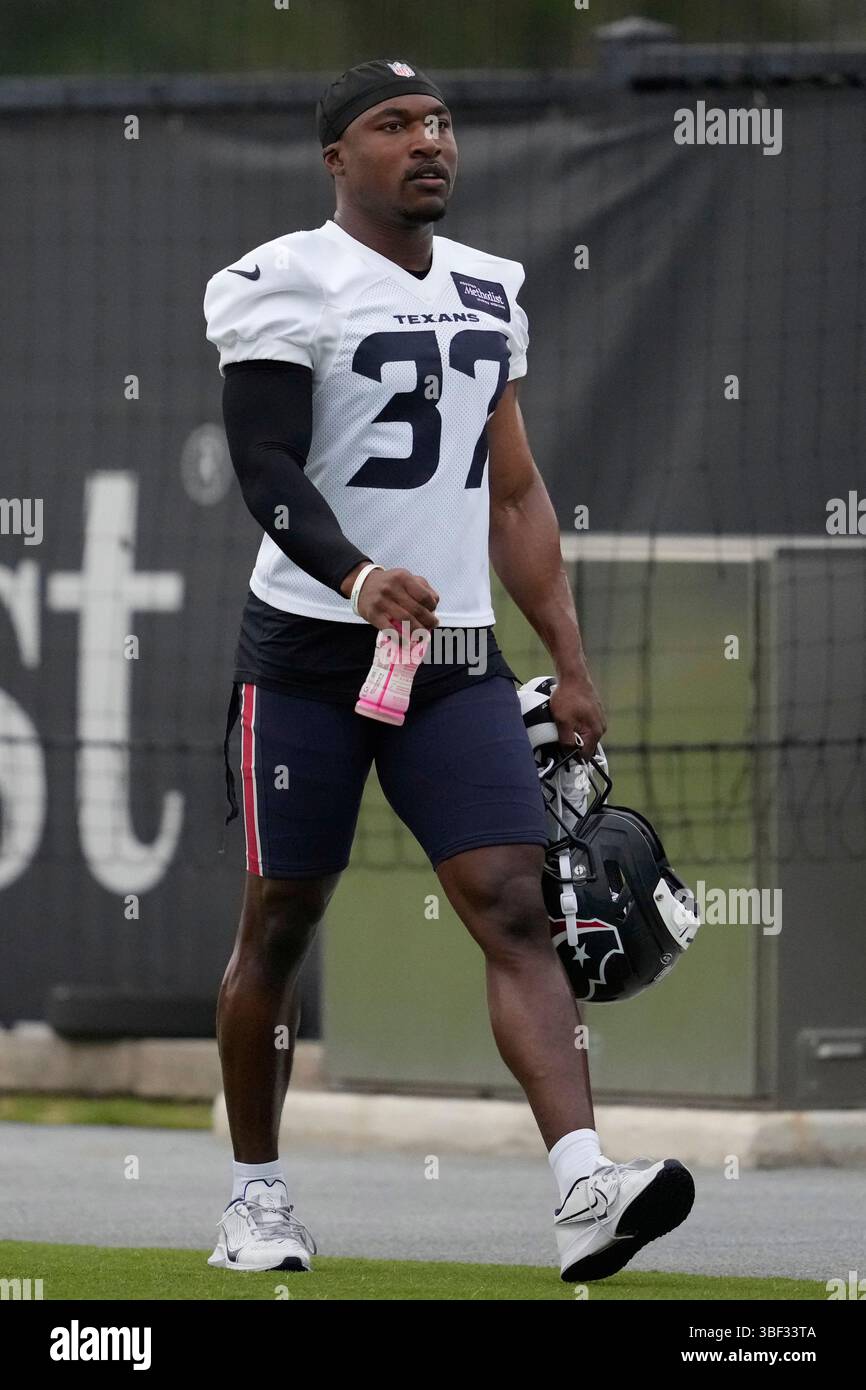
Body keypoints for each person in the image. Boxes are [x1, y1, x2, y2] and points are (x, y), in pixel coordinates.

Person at [202, 58, 694, 1282]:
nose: (428, 142)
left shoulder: (490, 286)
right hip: (312, 659)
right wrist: (359, 576)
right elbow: (265, 466)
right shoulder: (281, 281)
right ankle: (254, 1199)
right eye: (393, 124)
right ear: (336, 156)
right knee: (280, 920)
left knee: (518, 905)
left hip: (453, 661)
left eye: (439, 123)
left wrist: (568, 662)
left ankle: (583, 1181)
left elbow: (514, 488)